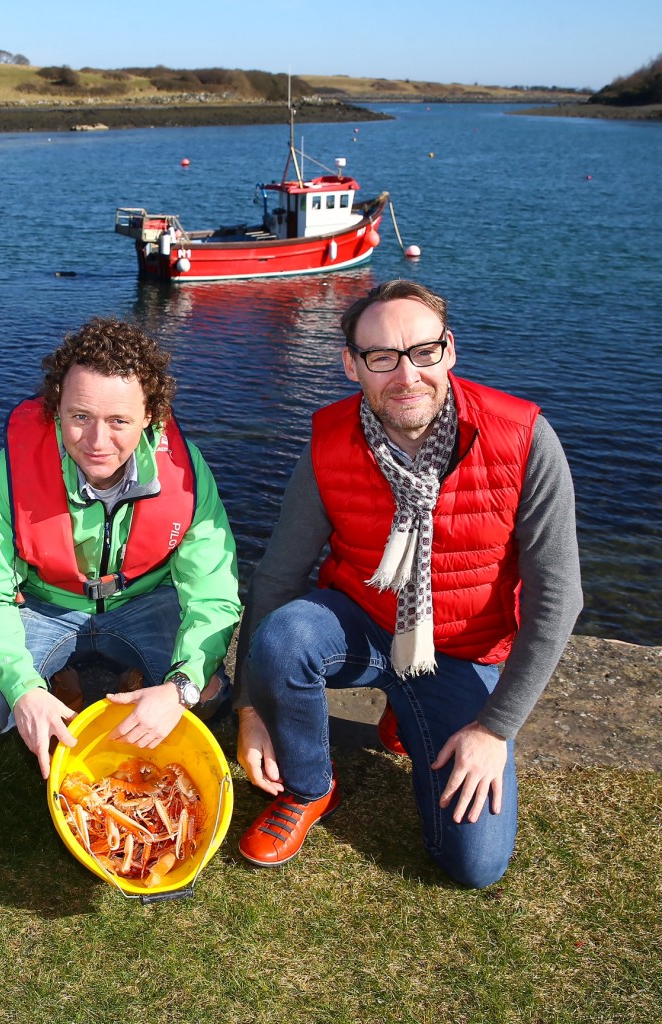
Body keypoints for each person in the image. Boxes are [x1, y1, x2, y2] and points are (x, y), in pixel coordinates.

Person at [234, 279, 583, 889]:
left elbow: (558, 599)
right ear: (352, 366)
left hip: (460, 649)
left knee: (474, 863)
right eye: (382, 358)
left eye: (423, 352)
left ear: (448, 350)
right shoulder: (328, 440)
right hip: (361, 623)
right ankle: (311, 787)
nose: (407, 375)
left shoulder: (522, 436)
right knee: (285, 636)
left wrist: (494, 729)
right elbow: (279, 577)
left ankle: (417, 712)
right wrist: (249, 706)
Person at [0, 317, 241, 778]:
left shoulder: (186, 474)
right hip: (46, 605)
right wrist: (24, 687)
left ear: (149, 416)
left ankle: (141, 684)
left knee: (206, 699)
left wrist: (177, 689)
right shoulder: (10, 471)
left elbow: (212, 593)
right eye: (80, 417)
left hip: (143, 603)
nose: (96, 442)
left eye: (119, 421)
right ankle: (58, 678)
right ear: (56, 409)